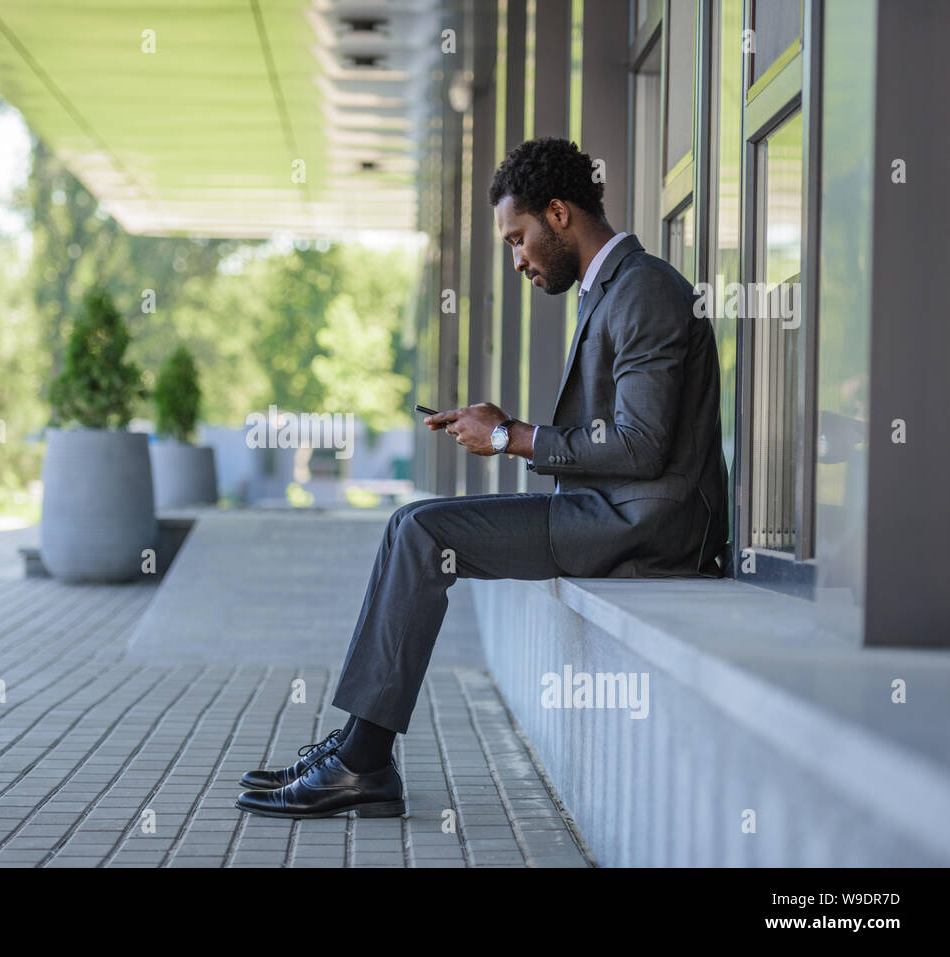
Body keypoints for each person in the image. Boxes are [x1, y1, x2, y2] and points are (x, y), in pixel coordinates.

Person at [235, 137, 728, 820]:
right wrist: (506, 428)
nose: (519, 258)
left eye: (518, 238)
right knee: (414, 525)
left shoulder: (644, 290)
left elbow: (642, 445)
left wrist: (509, 436)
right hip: (606, 512)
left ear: (558, 213)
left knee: (422, 528)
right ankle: (356, 745)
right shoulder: (611, 289)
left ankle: (363, 761)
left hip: (645, 528)